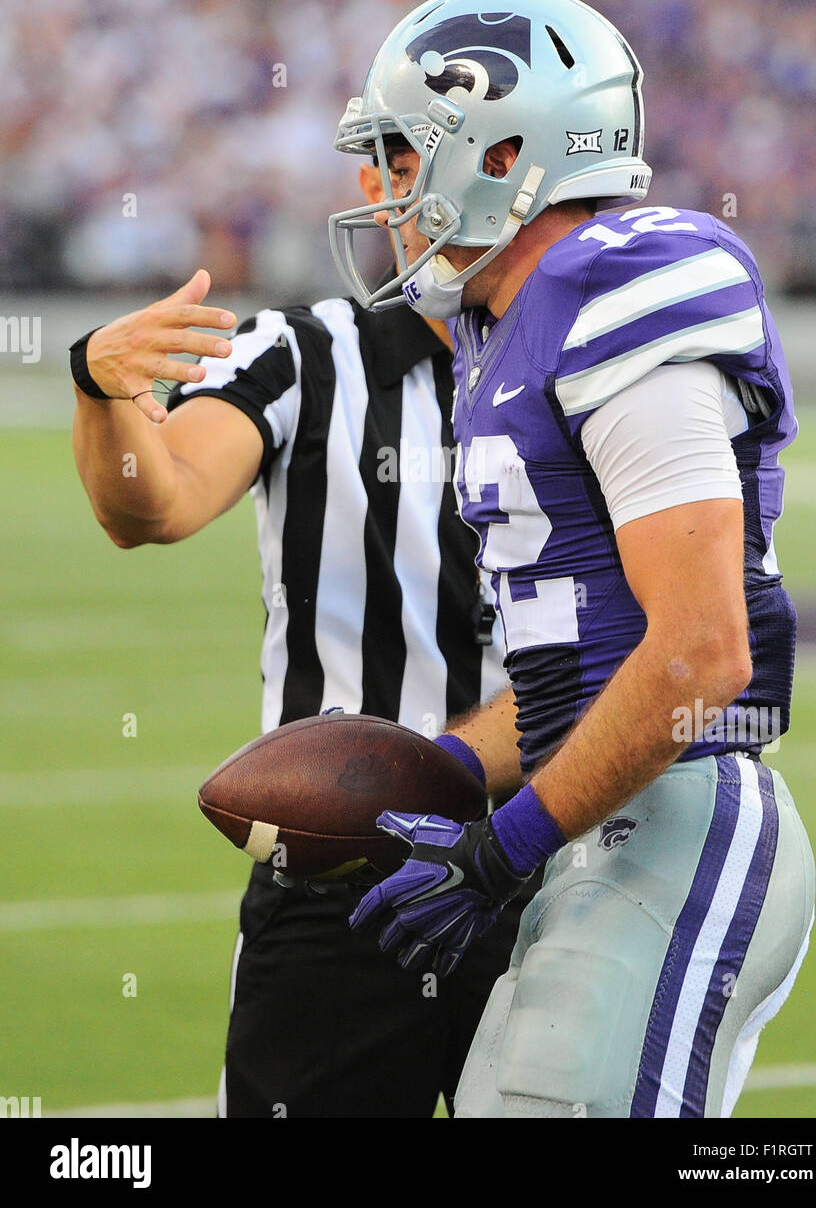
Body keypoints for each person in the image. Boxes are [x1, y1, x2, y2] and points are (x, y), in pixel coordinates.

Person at [328, 0, 816, 1118]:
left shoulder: (621, 284)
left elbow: (701, 655)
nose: (381, 191)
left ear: (504, 151)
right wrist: (436, 773)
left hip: (683, 823)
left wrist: (498, 851)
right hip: (600, 830)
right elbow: (579, 671)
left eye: (403, 156)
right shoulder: (503, 331)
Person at [69, 160, 527, 1119]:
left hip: (554, 857)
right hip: (342, 868)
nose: (385, 188)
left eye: (412, 161)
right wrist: (102, 391)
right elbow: (152, 506)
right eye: (386, 160)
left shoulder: (595, 365)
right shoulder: (306, 351)